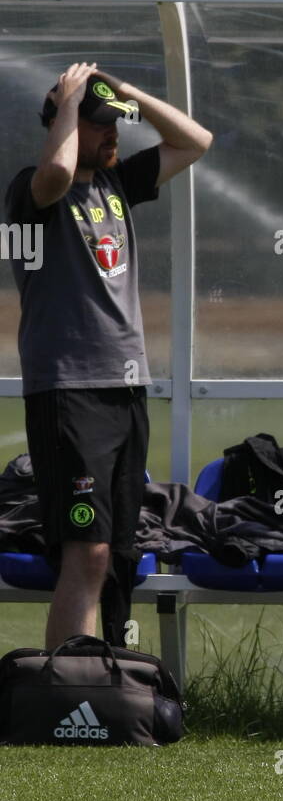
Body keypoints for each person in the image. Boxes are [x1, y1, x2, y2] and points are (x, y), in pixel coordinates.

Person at [4, 63, 212, 648]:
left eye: (113, 125)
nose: (112, 134)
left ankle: (105, 675)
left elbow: (196, 141)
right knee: (85, 547)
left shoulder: (117, 183)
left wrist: (128, 95)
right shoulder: (32, 189)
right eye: (100, 127)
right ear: (65, 126)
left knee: (117, 547)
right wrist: (70, 103)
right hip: (69, 390)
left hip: (125, 389)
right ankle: (67, 682)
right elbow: (59, 168)